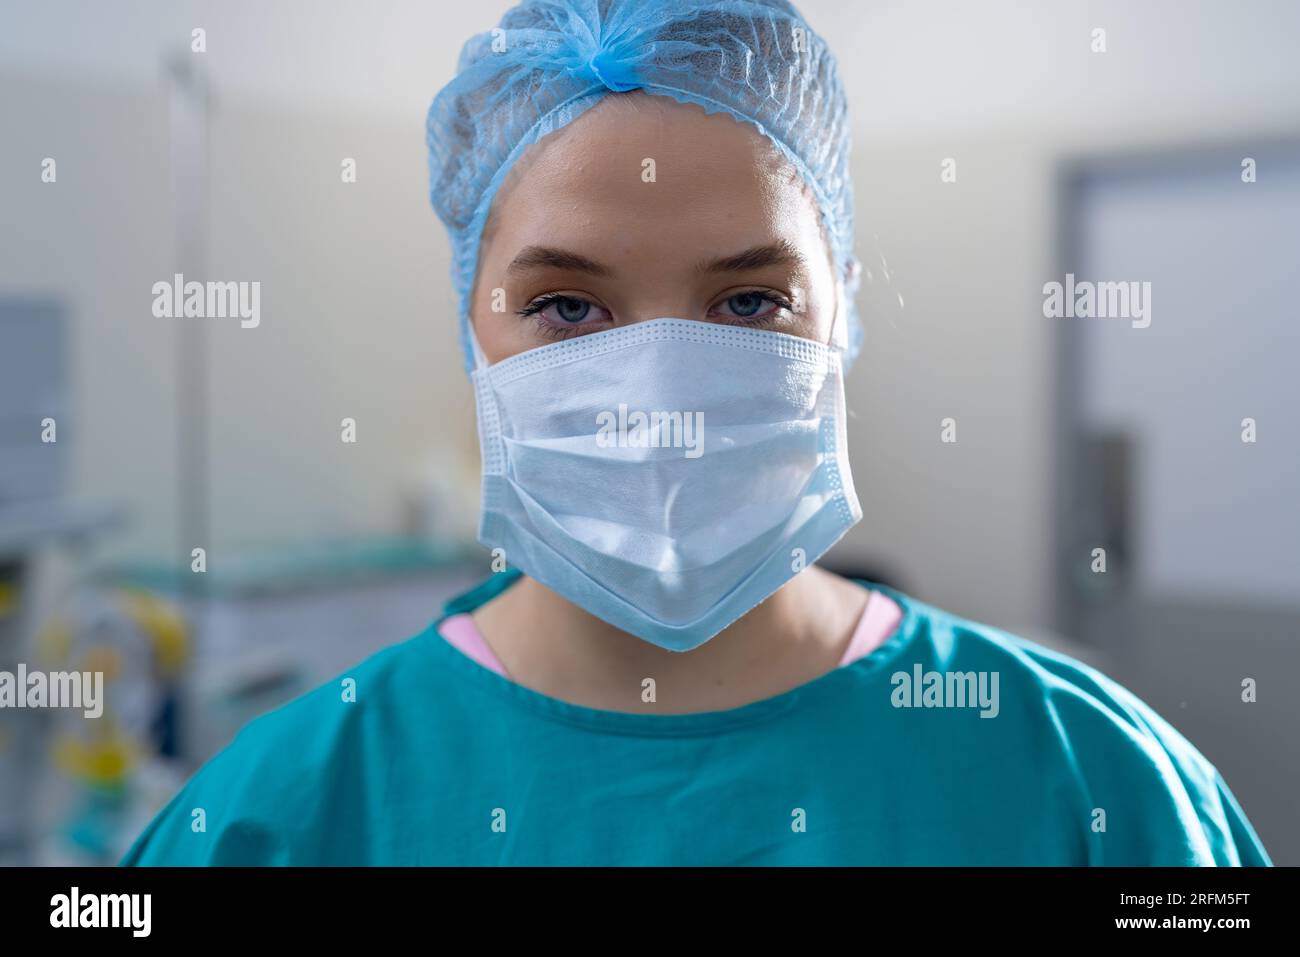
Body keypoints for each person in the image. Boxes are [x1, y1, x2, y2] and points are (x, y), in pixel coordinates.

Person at [121, 0, 1270, 866]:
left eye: (747, 304)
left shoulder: (1099, 784)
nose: (660, 389)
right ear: (472, 327)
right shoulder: (280, 816)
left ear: (844, 312)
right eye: (568, 307)